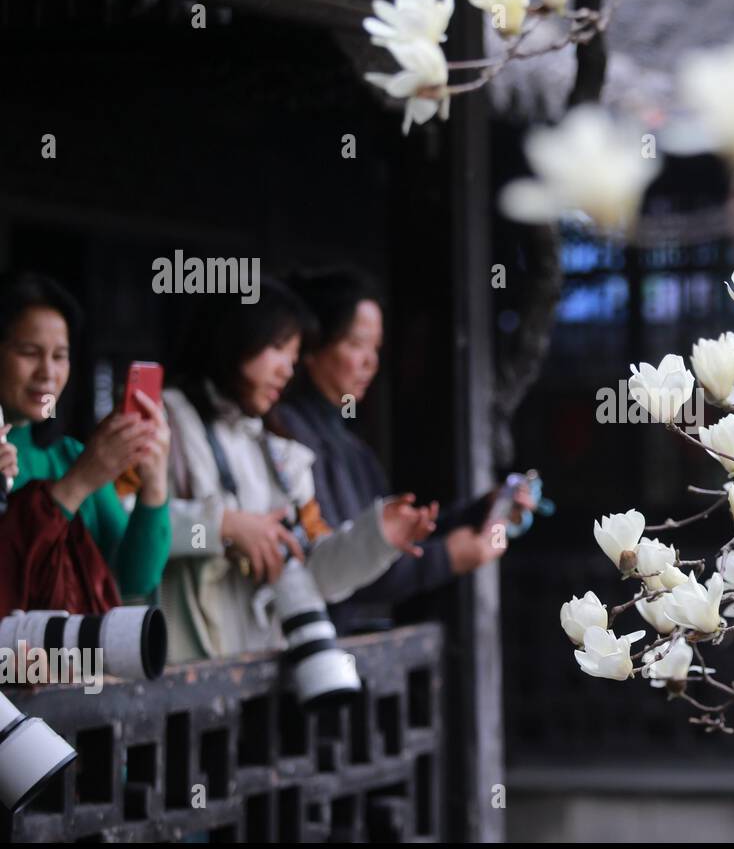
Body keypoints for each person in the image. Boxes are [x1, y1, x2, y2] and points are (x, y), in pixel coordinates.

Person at [161, 279, 436, 661]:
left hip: (253, 682)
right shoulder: (162, 421)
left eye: (292, 358)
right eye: (277, 349)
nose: (285, 371)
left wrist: (375, 539)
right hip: (176, 678)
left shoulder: (281, 452)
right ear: (234, 337)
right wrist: (220, 528)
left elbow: (315, 575)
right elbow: (124, 530)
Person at [276, 267, 524, 635]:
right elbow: (344, 569)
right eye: (356, 344)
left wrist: (481, 510)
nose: (370, 362)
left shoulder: (351, 446)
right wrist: (449, 557)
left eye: (375, 348)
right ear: (311, 347)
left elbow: (393, 537)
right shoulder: (286, 437)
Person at [0, 272, 171, 601]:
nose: (47, 373)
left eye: (59, 356)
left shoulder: (71, 456)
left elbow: (135, 579)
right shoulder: (86, 465)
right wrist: (78, 482)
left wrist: (154, 483)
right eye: (29, 352)